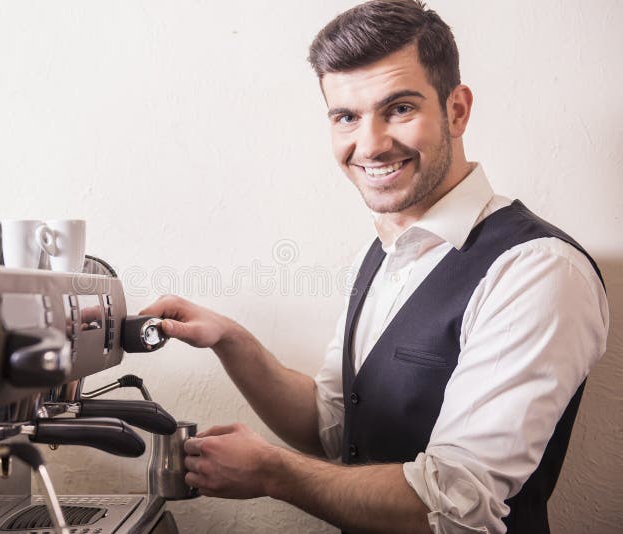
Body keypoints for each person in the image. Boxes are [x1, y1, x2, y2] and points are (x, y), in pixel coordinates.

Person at [140, 1, 609, 532]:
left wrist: (275, 474)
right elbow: (334, 424)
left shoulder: (536, 270)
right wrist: (231, 340)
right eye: (347, 117)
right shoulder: (387, 249)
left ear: (456, 110)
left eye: (400, 108)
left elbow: (458, 504)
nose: (371, 144)